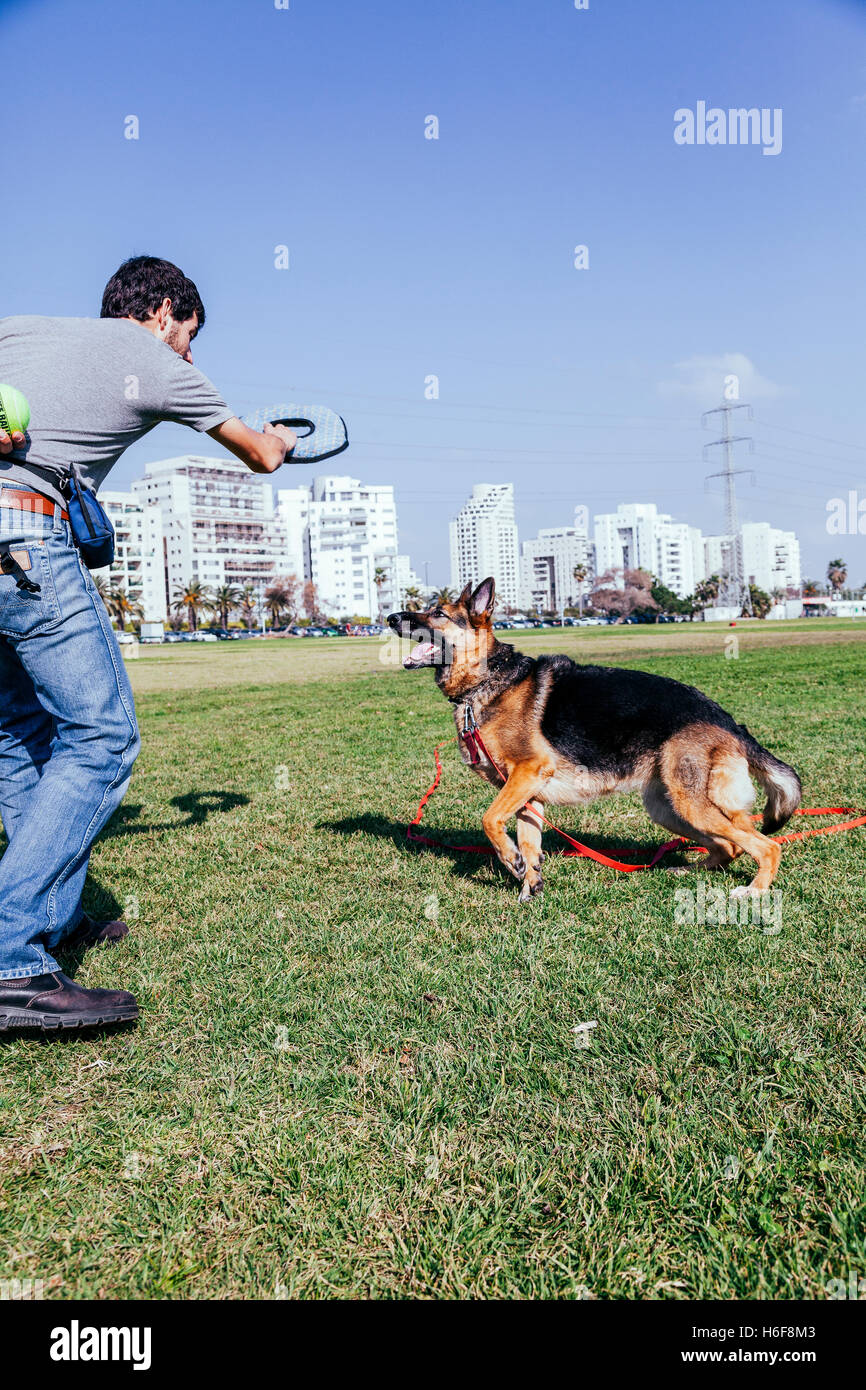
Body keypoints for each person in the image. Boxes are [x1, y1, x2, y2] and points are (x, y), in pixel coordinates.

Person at [0, 256, 296, 1032]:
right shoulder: (154, 358)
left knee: (18, 735)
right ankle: (10, 959)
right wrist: (280, 438)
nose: (187, 354)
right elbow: (259, 456)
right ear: (164, 311)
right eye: (189, 336)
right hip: (23, 534)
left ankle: (53, 921)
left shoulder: (23, 329)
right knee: (102, 738)